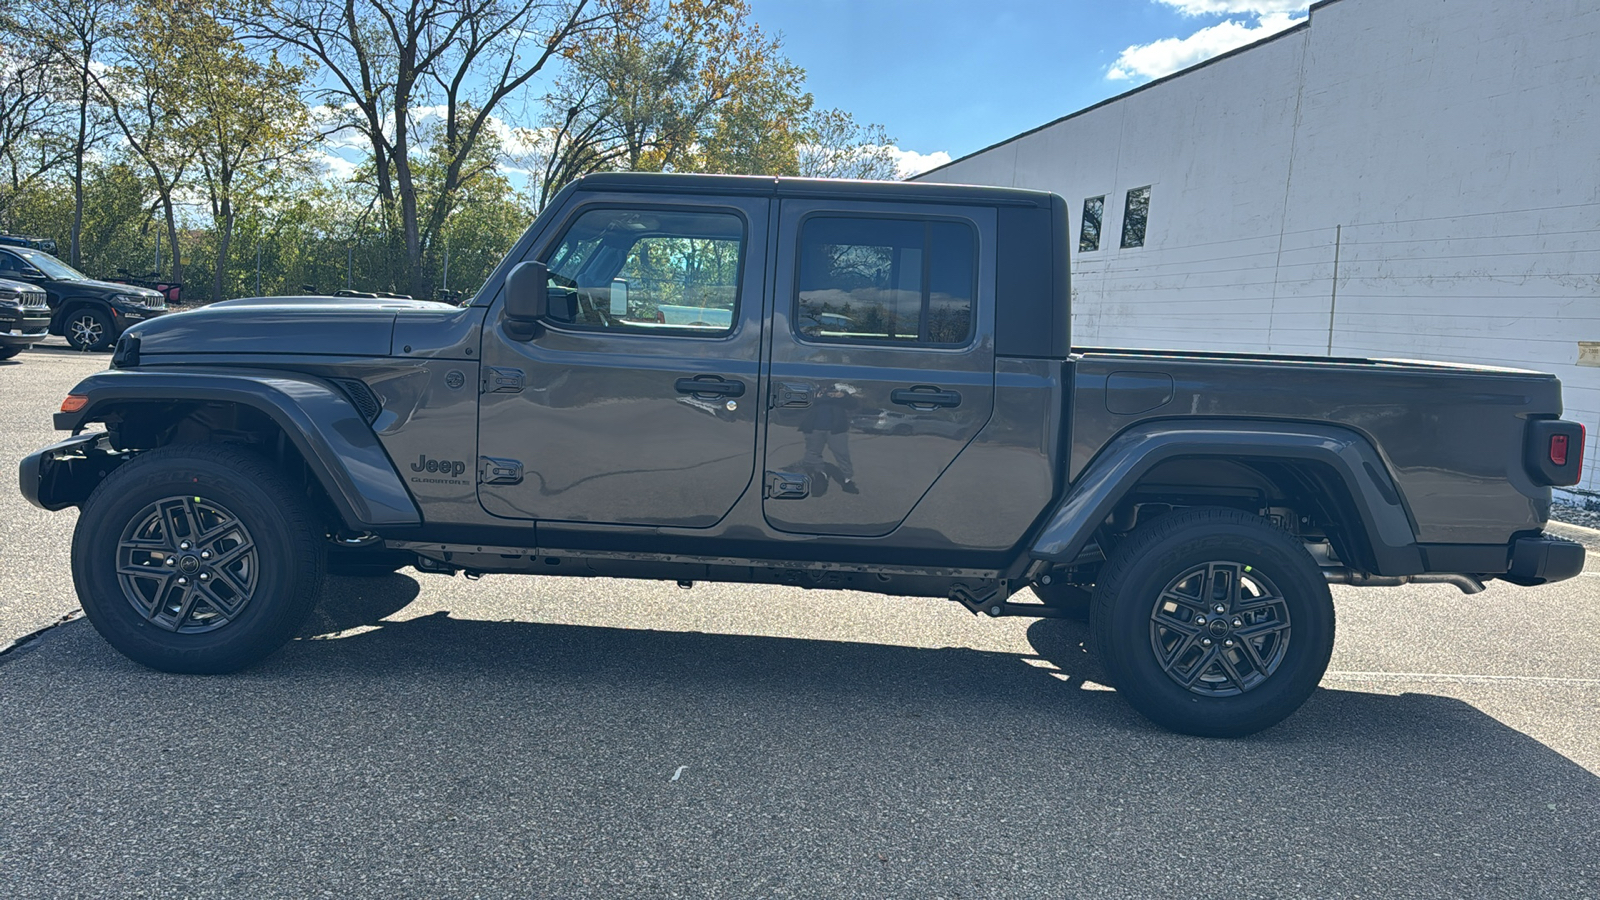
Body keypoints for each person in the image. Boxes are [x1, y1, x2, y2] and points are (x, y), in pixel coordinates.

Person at [799, 382, 859, 493]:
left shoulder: (841, 394)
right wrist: (815, 397)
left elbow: (853, 404)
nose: (827, 390)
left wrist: (843, 396)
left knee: (842, 454)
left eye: (829, 388)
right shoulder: (812, 391)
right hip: (814, 428)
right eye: (824, 386)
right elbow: (802, 403)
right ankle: (820, 475)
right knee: (812, 453)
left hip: (837, 429)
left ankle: (847, 479)